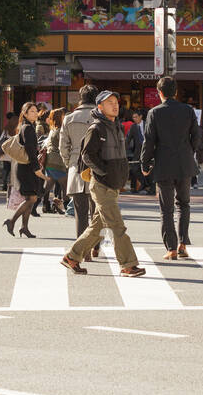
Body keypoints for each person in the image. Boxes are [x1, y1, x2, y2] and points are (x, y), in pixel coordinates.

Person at [61, 91, 145, 278]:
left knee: (96, 228)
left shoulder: (116, 126)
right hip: (101, 186)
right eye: (110, 103)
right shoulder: (97, 127)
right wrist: (104, 172)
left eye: (116, 102)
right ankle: (128, 265)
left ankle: (72, 257)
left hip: (112, 185)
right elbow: (87, 155)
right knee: (118, 227)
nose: (115, 105)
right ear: (100, 107)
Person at [141, 75, 201, 260]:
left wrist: (145, 163)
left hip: (163, 164)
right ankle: (183, 244)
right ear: (176, 92)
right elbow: (197, 136)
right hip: (184, 163)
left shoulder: (154, 113)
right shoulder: (188, 110)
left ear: (160, 93)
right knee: (184, 204)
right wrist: (188, 151)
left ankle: (171, 248)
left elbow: (149, 140)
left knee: (166, 209)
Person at [60, 85, 103, 256]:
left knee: (80, 211)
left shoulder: (69, 118)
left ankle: (81, 250)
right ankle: (95, 245)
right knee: (97, 210)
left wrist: (69, 163)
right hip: (97, 166)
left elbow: (63, 146)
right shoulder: (101, 117)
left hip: (76, 166)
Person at [2, 102, 44, 238]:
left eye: (36, 111)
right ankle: (12, 221)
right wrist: (36, 167)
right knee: (32, 197)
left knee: (30, 197)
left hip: (25, 166)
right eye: (31, 111)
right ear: (25, 114)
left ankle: (24, 227)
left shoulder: (28, 126)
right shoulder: (28, 128)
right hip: (27, 168)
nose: (35, 113)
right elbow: (30, 150)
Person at [43, 108, 69, 215]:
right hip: (58, 162)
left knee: (48, 186)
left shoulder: (52, 130)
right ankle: (67, 208)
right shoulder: (60, 131)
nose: (65, 117)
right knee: (65, 186)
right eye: (63, 116)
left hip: (50, 162)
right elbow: (64, 146)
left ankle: (37, 204)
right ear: (59, 118)